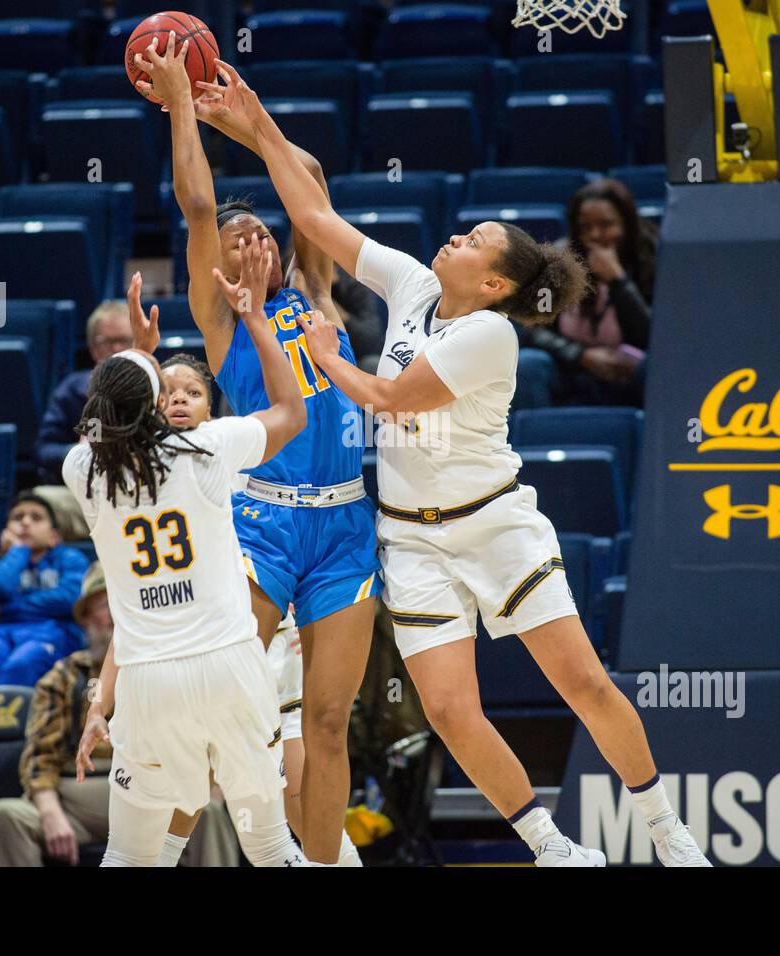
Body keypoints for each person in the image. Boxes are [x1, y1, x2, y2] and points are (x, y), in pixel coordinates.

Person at [204, 60, 711, 867]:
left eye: (473, 242)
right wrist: (255, 122)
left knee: (582, 684)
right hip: (410, 537)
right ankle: (550, 846)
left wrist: (328, 355)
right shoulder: (411, 283)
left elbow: (394, 400)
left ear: (496, 280)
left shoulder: (492, 336)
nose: (456, 237)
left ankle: (666, 832)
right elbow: (314, 213)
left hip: (493, 524)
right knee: (448, 709)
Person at [133, 33, 380, 865]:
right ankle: (154, 853)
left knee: (330, 721)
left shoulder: (314, 291)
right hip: (263, 528)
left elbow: (305, 178)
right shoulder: (222, 320)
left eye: (262, 236)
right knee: (221, 705)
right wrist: (179, 109)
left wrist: (244, 116)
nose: (253, 245)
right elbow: (198, 207)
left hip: (345, 528)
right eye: (240, 241)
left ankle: (320, 862)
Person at [67, 236, 307, 868]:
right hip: (230, 667)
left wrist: (136, 360)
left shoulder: (80, 469)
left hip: (148, 683)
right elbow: (290, 411)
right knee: (271, 844)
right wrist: (254, 317)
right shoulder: (204, 450)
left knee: (131, 854)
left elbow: (108, 419)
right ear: (156, 405)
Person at [152, 352, 361, 866]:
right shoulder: (140, 469)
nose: (179, 398)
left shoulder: (242, 452)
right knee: (193, 776)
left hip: (263, 635)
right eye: (167, 391)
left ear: (214, 407)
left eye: (193, 392)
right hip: (192, 631)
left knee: (295, 803)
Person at [0, 563, 239, 867]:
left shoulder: (173, 667)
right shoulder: (63, 677)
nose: (119, 614)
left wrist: (212, 785)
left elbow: (206, 737)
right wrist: (50, 813)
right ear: (87, 620)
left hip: (155, 788)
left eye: (125, 603)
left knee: (208, 811)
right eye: (107, 605)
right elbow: (40, 759)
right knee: (4, 816)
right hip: (79, 794)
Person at [519, 178, 655, 406]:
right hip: (573, 370)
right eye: (585, 227)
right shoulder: (559, 262)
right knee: (528, 365)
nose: (595, 235)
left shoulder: (652, 257)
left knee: (653, 367)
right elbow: (534, 330)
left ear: (627, 223)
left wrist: (619, 281)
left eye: (606, 225)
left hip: (630, 372)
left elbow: (651, 336)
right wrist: (581, 356)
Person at [0, 492, 89, 698]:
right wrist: (18, 552)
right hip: (0, 631)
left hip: (52, 631)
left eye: (36, 517)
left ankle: (2, 729)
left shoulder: (70, 558)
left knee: (23, 662)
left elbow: (70, 598)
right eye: (17, 518)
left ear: (54, 537)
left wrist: (7, 609)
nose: (25, 522)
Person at [36, 301, 135, 483]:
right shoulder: (72, 390)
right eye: (107, 342)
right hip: (82, 485)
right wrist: (79, 452)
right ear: (92, 347)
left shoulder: (156, 386)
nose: (116, 349)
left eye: (124, 340)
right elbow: (45, 450)